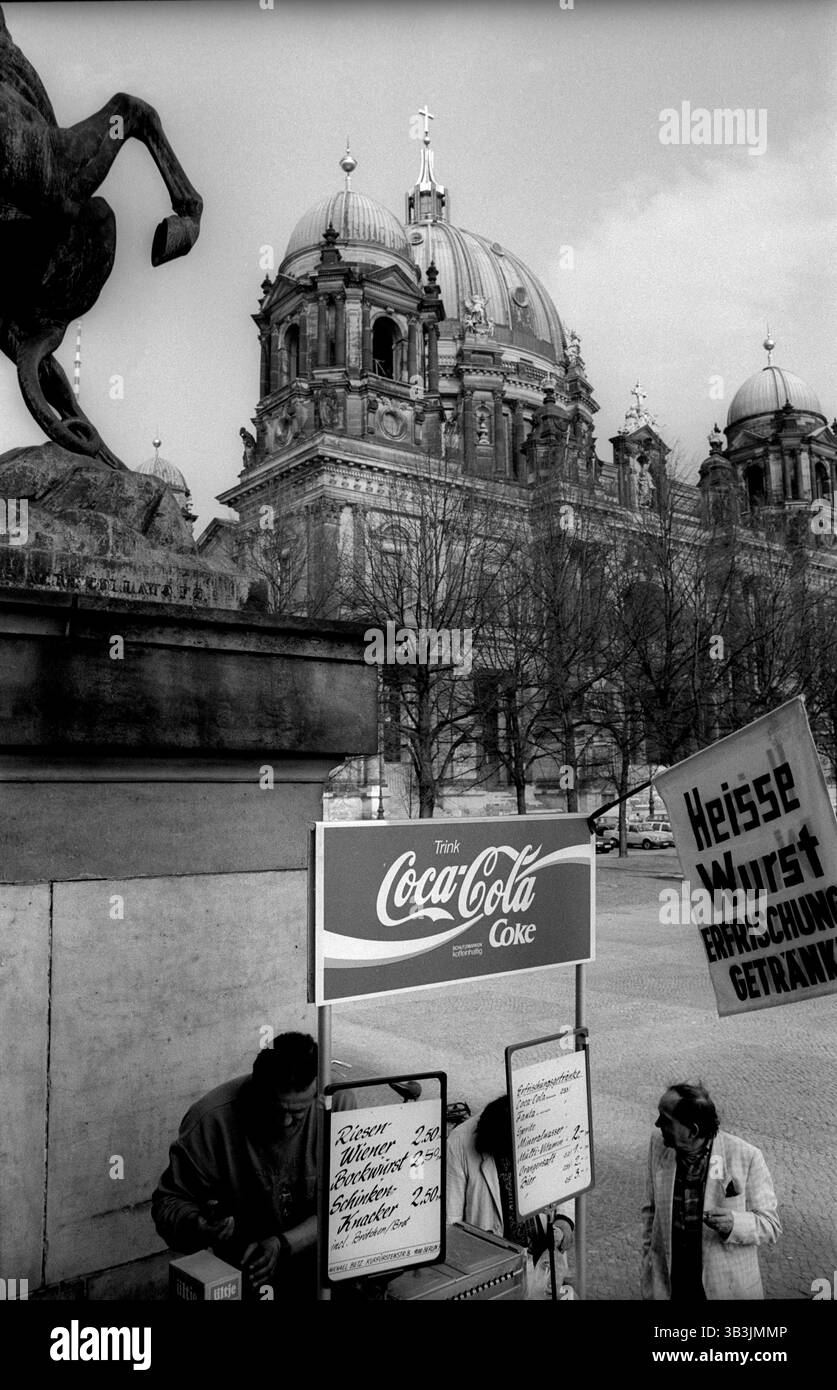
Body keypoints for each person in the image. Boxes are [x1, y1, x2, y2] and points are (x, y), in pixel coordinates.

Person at [152, 1031, 354, 1298]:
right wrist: (198, 1225)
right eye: (275, 1109)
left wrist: (283, 1244)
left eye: (297, 1114)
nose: (284, 1123)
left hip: (323, 1261)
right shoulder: (211, 1121)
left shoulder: (336, 1102)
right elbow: (168, 1203)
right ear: (256, 1086)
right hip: (247, 1267)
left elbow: (348, 1202)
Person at [641, 1081, 781, 1301]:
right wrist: (648, 1263)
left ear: (693, 1131)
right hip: (671, 1286)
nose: (657, 1124)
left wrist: (735, 1224)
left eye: (666, 1120)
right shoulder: (658, 1144)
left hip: (725, 1289)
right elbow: (651, 1212)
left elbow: (771, 1225)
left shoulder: (746, 1156)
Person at [446, 1094, 575, 1298]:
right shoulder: (459, 1142)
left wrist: (564, 1221)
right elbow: (452, 1223)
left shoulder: (539, 1126)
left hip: (543, 1259)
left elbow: (564, 1177)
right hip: (494, 1268)